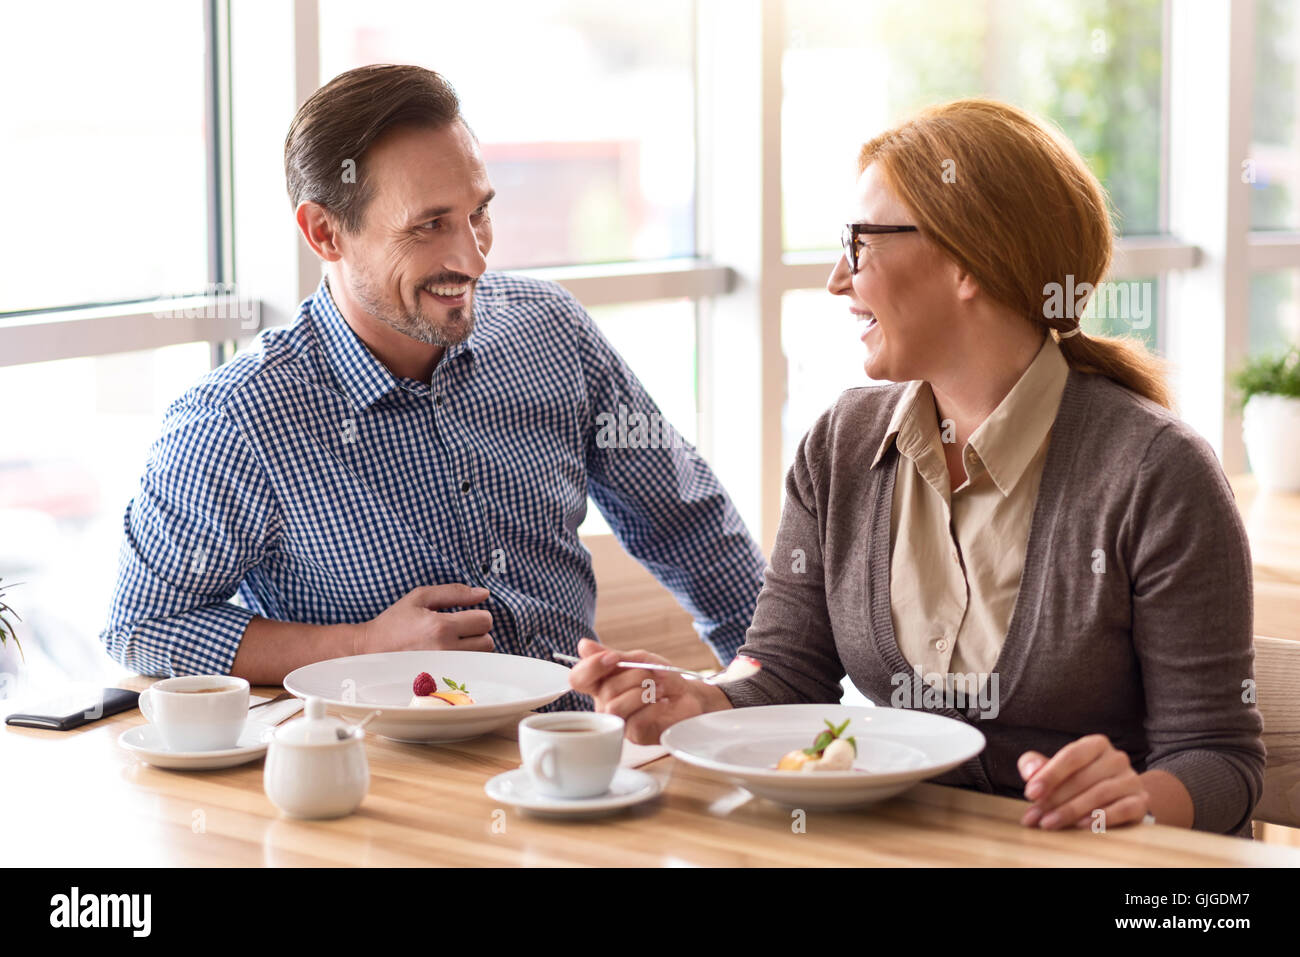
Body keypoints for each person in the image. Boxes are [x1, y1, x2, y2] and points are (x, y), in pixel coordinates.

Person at [571, 98, 1266, 836]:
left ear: (967, 260)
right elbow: (784, 673)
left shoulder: (1157, 474)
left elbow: (1221, 759)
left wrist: (1134, 798)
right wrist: (702, 698)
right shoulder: (840, 445)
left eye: (861, 243)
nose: (839, 278)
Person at [101, 64, 765, 711]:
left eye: (478, 213)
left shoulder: (551, 330)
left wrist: (760, 696)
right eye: (430, 225)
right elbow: (143, 622)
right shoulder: (240, 420)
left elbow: (692, 525)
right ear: (324, 232)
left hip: (581, 766)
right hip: (388, 791)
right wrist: (361, 645)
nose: (473, 259)